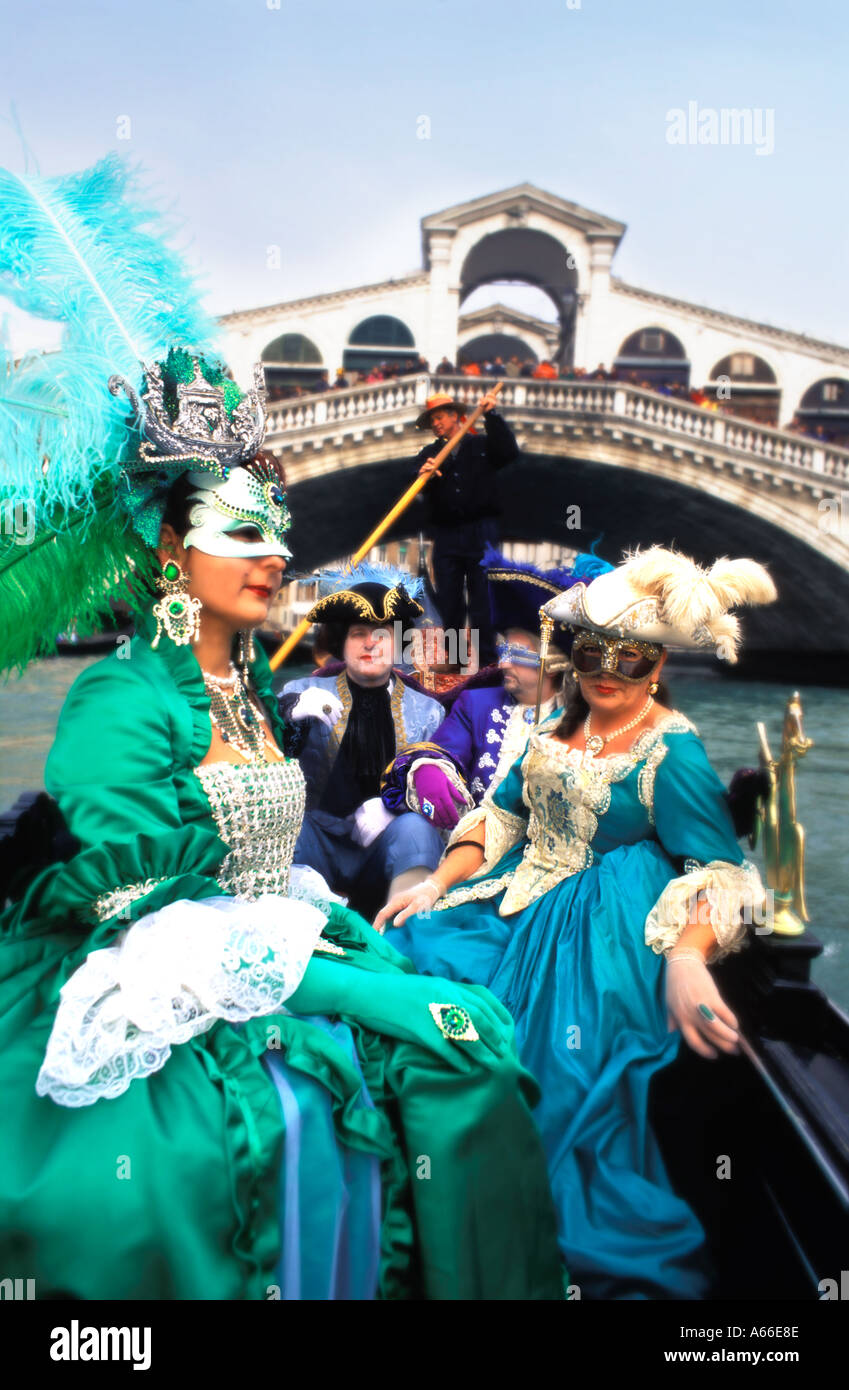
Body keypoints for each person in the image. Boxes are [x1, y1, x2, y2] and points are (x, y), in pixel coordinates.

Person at [0, 158, 566, 1302]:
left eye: (277, 530)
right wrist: (327, 971)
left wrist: (319, 925)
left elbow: (259, 867)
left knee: (471, 1043)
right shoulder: (122, 700)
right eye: (240, 531)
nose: (274, 555)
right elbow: (140, 911)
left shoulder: (249, 690)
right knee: (432, 1059)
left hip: (269, 941)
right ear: (173, 550)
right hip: (166, 980)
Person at [378, 545, 778, 1298]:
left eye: (629, 658)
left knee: (546, 1067)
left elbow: (722, 871)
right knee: (406, 961)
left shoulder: (672, 751)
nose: (606, 672)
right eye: (592, 653)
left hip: (600, 936)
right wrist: (436, 881)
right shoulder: (555, 729)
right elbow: (500, 818)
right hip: (511, 901)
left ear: (656, 664)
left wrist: (687, 958)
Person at [381, 547, 589, 828]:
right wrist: (430, 767)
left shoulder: (582, 716)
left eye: (515, 654)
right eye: (502, 651)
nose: (502, 664)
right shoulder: (476, 704)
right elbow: (445, 749)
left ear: (552, 663)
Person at [282, 566, 446, 918]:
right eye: (359, 633)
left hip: (386, 846)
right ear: (342, 643)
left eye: (382, 634)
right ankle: (303, 929)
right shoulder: (301, 692)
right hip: (315, 841)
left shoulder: (429, 712)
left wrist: (396, 806)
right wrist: (289, 714)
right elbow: (270, 757)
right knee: (290, 825)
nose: (370, 643)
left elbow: (438, 787)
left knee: (416, 829)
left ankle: (404, 932)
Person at [413, 390, 520, 666]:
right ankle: (456, 658)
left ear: (455, 416)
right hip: (447, 534)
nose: (435, 424)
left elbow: (508, 452)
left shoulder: (481, 446)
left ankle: (486, 661)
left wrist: (491, 416)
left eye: (439, 417)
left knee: (482, 599)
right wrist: (423, 474)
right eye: (432, 421)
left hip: (481, 531)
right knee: (449, 600)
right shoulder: (429, 454)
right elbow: (414, 482)